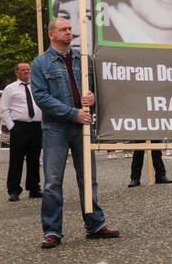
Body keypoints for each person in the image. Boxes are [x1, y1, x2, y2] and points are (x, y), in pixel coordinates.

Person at [31, 17, 119, 249]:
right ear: (51, 34)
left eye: (70, 29)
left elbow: (97, 88)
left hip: (83, 127)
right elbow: (41, 97)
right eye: (64, 30)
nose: (69, 33)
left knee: (88, 177)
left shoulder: (84, 59)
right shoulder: (40, 64)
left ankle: (95, 224)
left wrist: (92, 98)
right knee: (52, 182)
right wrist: (73, 113)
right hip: (55, 129)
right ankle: (52, 231)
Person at [0, 62, 43, 201]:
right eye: (23, 70)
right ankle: (13, 189)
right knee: (16, 160)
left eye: (28, 69)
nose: (26, 72)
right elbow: (4, 110)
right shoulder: (10, 89)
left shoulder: (37, 85)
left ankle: (34, 187)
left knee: (34, 159)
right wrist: (12, 127)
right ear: (16, 73)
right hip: (19, 127)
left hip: (36, 126)